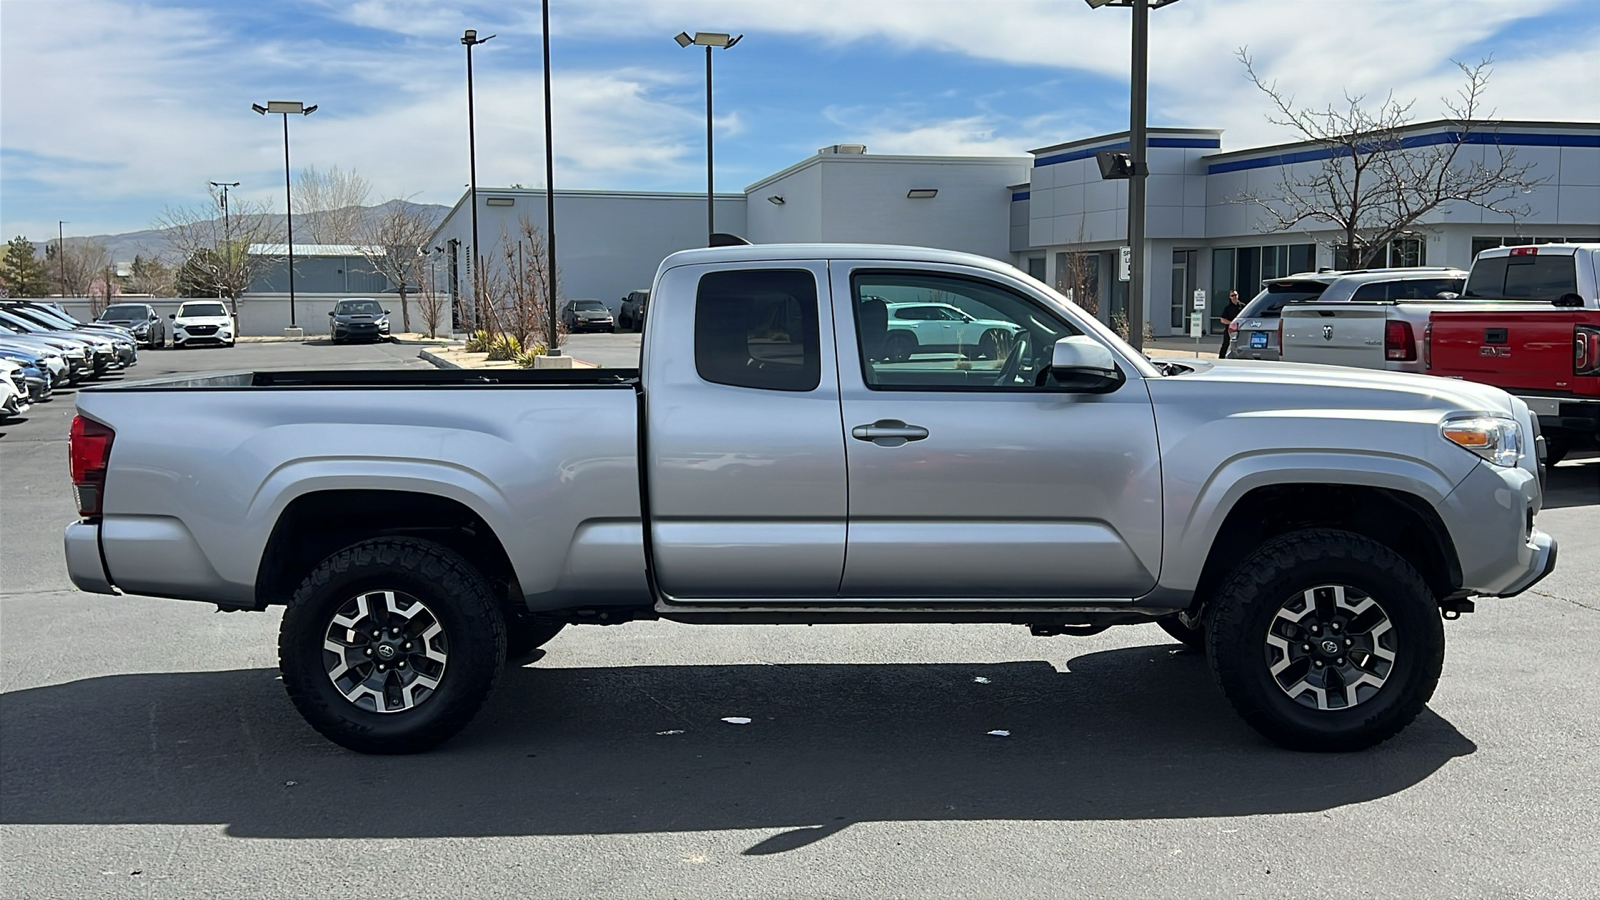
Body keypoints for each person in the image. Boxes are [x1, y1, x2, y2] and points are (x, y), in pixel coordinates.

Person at [1218, 289, 1243, 358]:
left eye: (1235, 295)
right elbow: (1222, 319)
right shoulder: (1228, 308)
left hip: (1240, 329)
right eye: (1232, 295)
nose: (1234, 297)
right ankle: (1221, 358)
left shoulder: (1242, 306)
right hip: (1229, 329)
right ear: (1230, 297)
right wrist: (1232, 323)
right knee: (1226, 344)